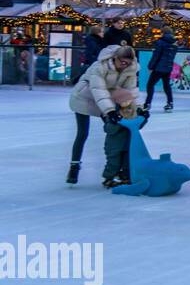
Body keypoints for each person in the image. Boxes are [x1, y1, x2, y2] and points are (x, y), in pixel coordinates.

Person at [67, 44, 141, 186]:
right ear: (115, 58)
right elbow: (98, 90)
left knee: (116, 132)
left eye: (128, 63)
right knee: (82, 133)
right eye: (122, 62)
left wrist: (139, 108)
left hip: (105, 99)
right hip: (85, 97)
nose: (124, 66)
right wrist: (110, 111)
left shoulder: (130, 69)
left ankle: (116, 171)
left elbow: (130, 90)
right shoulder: (99, 67)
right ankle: (74, 166)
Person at [101, 87, 147, 188]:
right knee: (113, 163)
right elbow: (108, 130)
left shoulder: (133, 111)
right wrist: (115, 122)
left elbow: (138, 126)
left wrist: (144, 118)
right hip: (114, 145)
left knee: (128, 162)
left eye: (128, 100)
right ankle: (109, 178)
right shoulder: (112, 114)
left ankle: (126, 177)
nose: (127, 102)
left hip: (129, 143)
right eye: (123, 101)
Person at [143, 28, 178, 112]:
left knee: (150, 85)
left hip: (158, 68)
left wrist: (150, 67)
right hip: (168, 68)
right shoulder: (175, 43)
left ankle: (147, 104)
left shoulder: (160, 42)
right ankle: (170, 103)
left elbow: (156, 56)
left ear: (162, 33)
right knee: (166, 85)